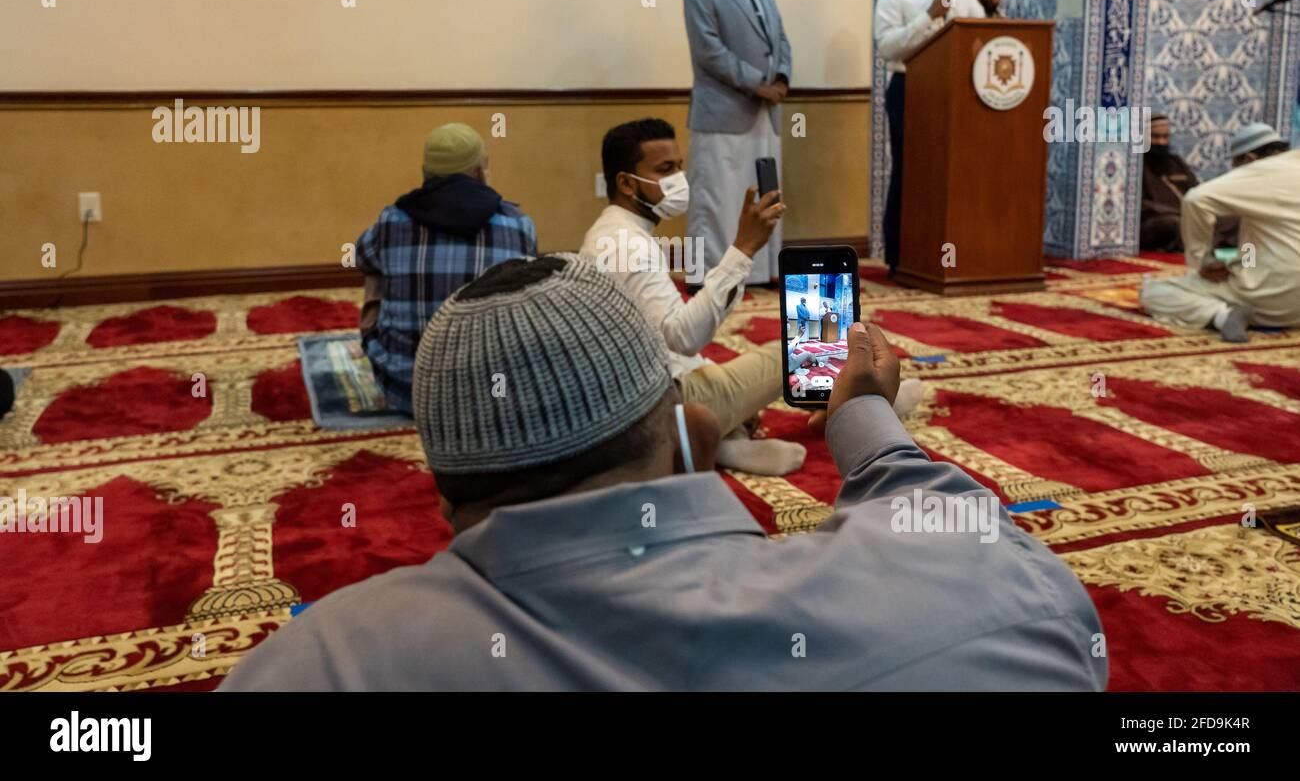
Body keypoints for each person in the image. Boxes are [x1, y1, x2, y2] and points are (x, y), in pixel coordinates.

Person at [219, 253, 1107, 691]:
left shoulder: (316, 665)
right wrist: (864, 420)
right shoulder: (986, 594)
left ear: (443, 494)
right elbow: (1004, 572)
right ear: (689, 438)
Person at [581, 118, 804, 476]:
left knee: (719, 371)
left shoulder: (613, 233)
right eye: (665, 170)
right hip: (662, 403)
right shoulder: (627, 246)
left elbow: (665, 340)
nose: (678, 180)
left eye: (679, 167)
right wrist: (743, 249)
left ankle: (723, 442)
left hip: (640, 399)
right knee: (807, 341)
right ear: (625, 183)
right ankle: (867, 403)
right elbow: (683, 337)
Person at [354, 123, 537, 416]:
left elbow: (359, 258)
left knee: (376, 264)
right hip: (489, 393)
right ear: (480, 171)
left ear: (427, 173)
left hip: (407, 391)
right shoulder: (518, 225)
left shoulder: (392, 221)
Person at [874, 0, 998, 276]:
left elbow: (983, 40)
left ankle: (958, 255)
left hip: (960, 94)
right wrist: (928, 17)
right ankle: (902, 257)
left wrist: (989, 10)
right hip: (911, 91)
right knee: (913, 173)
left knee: (957, 174)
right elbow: (887, 47)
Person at [683, 0, 792, 287]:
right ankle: (708, 274)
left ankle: (760, 272)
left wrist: (781, 78)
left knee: (763, 191)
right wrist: (755, 83)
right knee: (717, 196)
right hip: (722, 113)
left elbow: (780, 39)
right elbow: (708, 50)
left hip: (764, 112)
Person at [1141, 122, 1300, 341]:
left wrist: (1202, 260)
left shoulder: (1258, 172)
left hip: (1271, 302)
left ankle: (1222, 316)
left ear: (1249, 159)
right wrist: (1240, 263)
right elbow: (1255, 244)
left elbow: (1196, 199)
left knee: (1154, 292)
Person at [1140, 113, 1236, 252]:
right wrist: (1181, 212)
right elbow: (1141, 205)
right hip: (1157, 220)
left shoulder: (1176, 162)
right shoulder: (1136, 166)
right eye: (1155, 137)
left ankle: (1215, 245)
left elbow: (1196, 191)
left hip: (1189, 215)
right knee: (1174, 224)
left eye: (1165, 137)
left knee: (1233, 219)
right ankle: (1213, 246)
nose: (1161, 142)